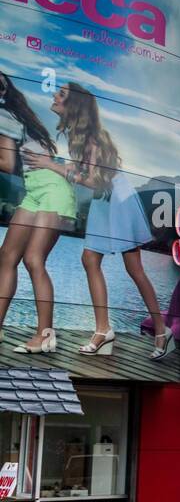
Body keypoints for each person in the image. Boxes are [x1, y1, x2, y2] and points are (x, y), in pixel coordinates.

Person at [44, 83, 170, 359]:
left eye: (61, 94)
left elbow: (95, 180)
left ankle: (159, 330)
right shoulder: (80, 137)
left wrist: (56, 168)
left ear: (75, 106)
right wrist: (69, 168)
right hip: (107, 203)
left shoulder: (93, 139)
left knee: (132, 269)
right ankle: (105, 330)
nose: (54, 95)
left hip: (117, 202)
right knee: (92, 260)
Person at [0, 71, 69, 353]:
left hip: (52, 190)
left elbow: (6, 163)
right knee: (7, 257)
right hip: (35, 191)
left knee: (33, 260)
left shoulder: (4, 115)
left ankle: (45, 336)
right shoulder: (15, 116)